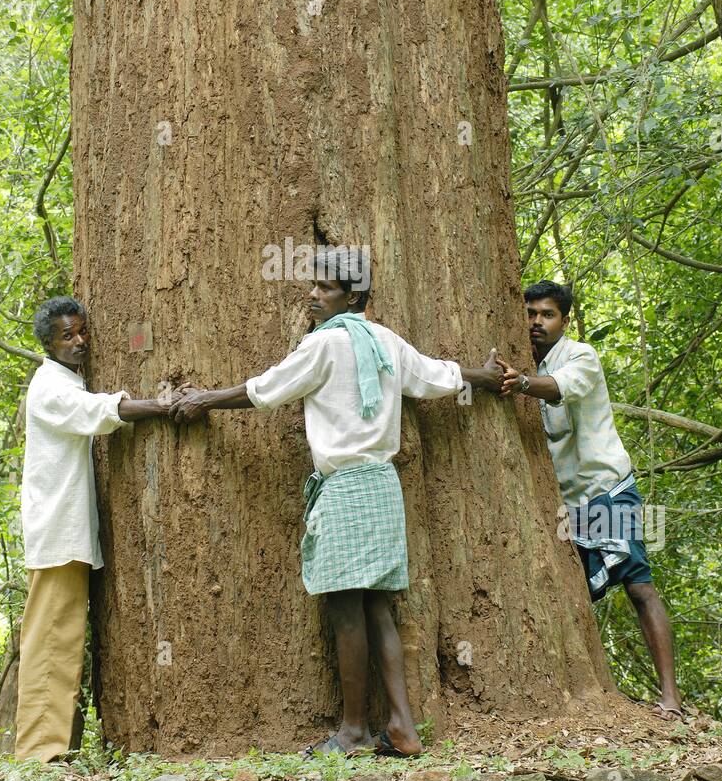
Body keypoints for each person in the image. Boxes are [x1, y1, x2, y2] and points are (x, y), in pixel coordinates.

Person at [171, 249, 504, 755]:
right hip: (382, 485)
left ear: (353, 297)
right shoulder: (386, 342)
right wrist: (482, 376)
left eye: (324, 288)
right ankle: (402, 727)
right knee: (377, 607)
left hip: (346, 486)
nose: (312, 294)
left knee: (346, 608)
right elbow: (440, 377)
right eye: (314, 285)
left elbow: (265, 390)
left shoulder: (323, 344)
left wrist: (204, 399)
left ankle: (353, 731)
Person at [496, 279, 682, 719]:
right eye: (531, 314)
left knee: (639, 587)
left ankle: (671, 698)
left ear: (564, 320)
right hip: (565, 505)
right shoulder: (522, 357)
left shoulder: (580, 356)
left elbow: (558, 388)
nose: (536, 322)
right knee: (570, 591)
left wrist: (520, 382)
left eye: (547, 315)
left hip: (606, 489)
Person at [15, 296, 184, 762]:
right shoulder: (51, 386)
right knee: (52, 639)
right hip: (57, 536)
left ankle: (53, 749)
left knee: (64, 640)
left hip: (70, 533)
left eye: (81, 331)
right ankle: (38, 755)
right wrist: (159, 405)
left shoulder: (67, 379)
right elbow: (98, 412)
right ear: (47, 344)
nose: (79, 341)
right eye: (66, 336)